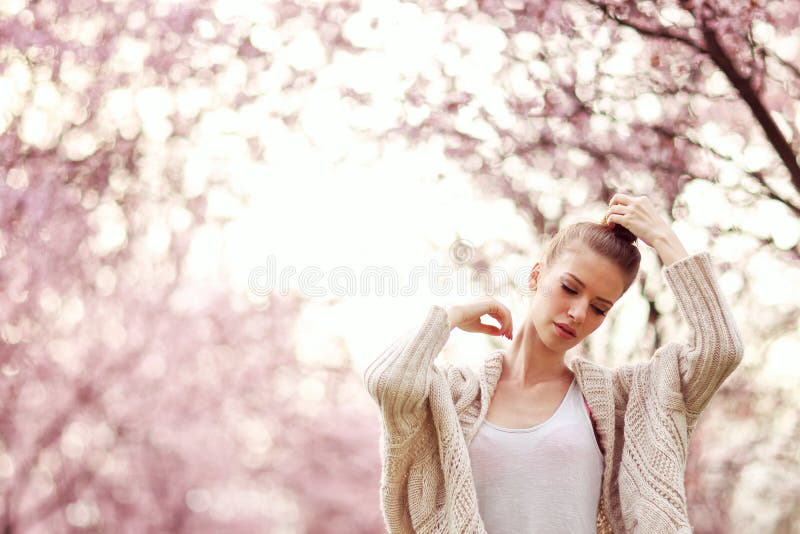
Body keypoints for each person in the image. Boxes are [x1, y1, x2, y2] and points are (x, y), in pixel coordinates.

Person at [363, 194, 745, 533]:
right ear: (536, 274)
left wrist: (664, 239)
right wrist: (448, 317)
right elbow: (387, 381)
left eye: (599, 308)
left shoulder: (622, 402)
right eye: (569, 288)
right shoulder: (456, 396)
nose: (579, 313)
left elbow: (721, 348)